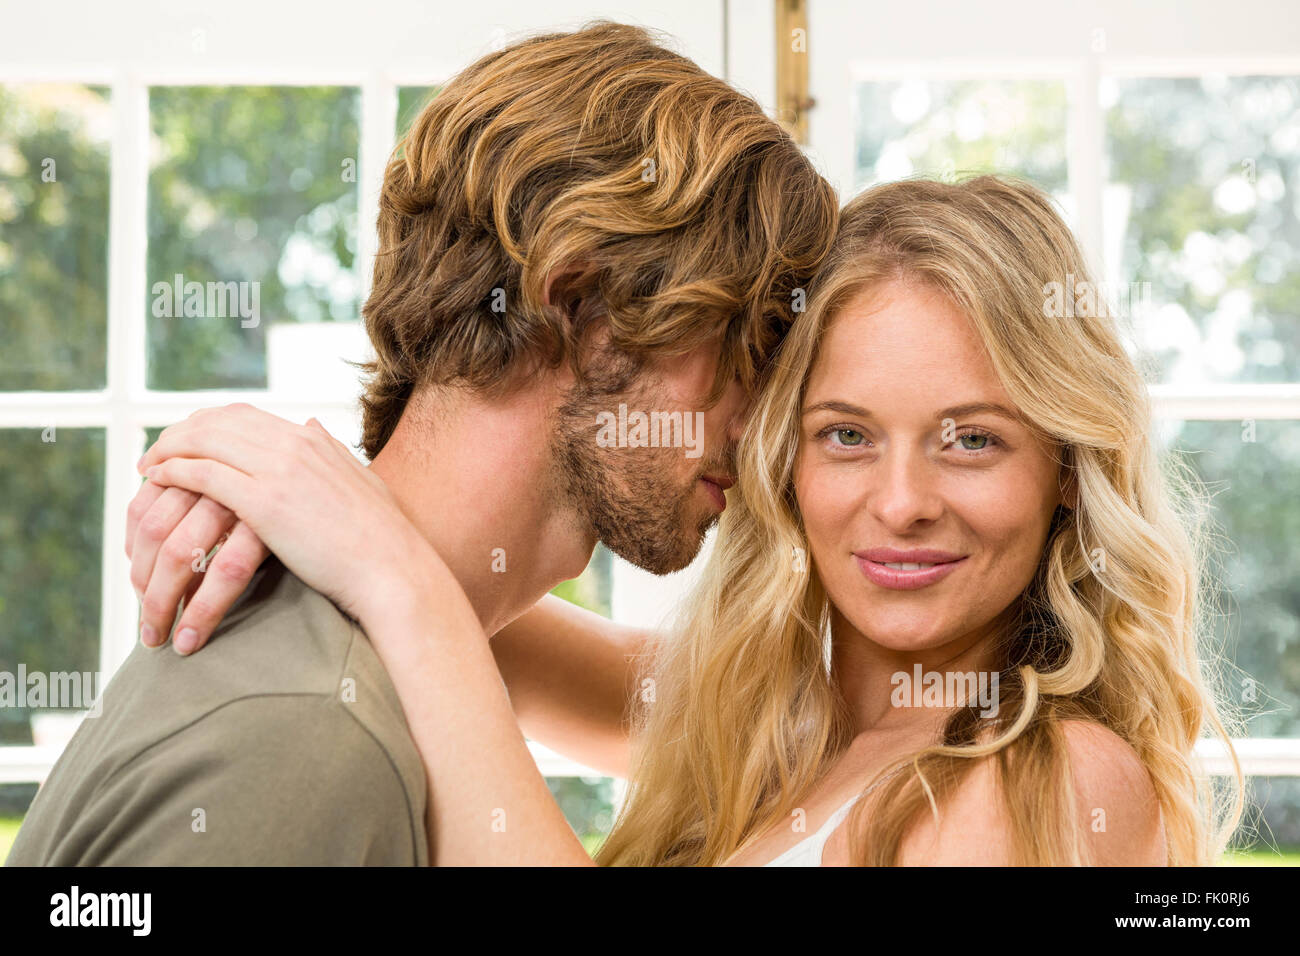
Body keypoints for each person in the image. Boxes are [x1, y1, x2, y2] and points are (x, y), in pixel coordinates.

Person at [121, 176, 1245, 866]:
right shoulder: (753, 722)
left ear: (1062, 469)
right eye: (845, 433)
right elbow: (454, 580)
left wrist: (398, 586)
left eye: (972, 437)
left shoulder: (1066, 780)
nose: (901, 501)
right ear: (779, 454)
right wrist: (251, 482)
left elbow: (425, 602)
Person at [3, 21, 836, 866]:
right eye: (750, 348)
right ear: (580, 303)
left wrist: (397, 576)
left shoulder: (392, 650)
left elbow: (759, 715)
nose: (764, 421)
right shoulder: (311, 738)